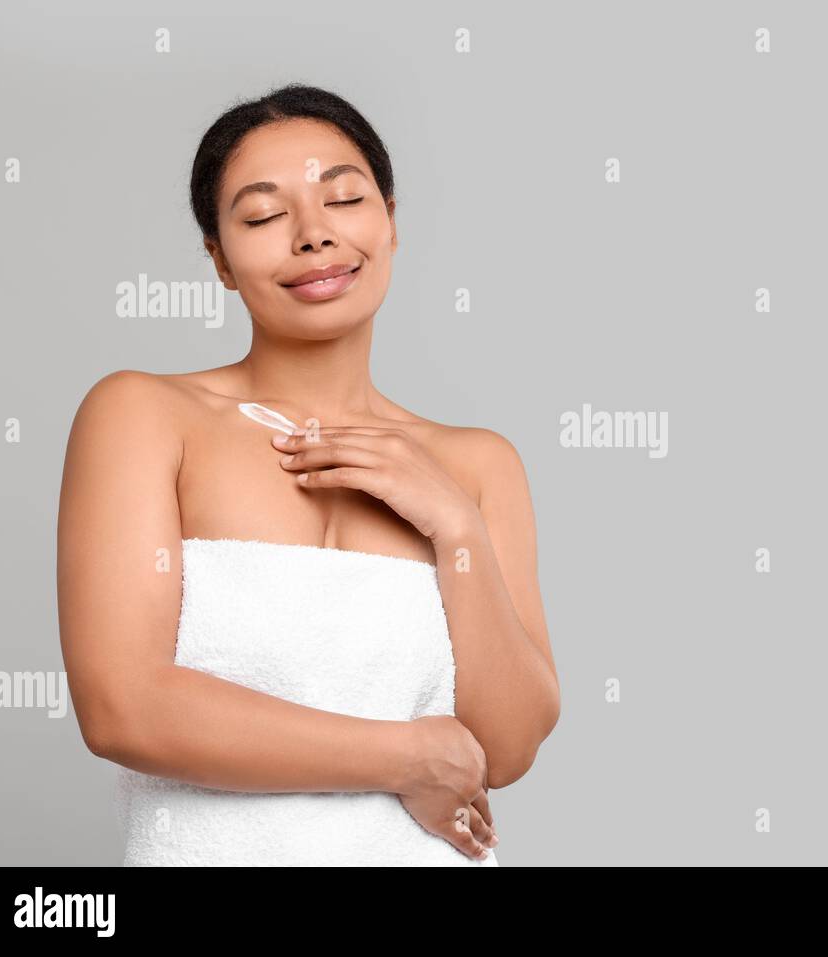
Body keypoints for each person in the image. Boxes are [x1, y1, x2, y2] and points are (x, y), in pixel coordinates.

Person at [56, 83, 559, 865]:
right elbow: (124, 708)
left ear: (391, 220)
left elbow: (507, 746)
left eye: (346, 199)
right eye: (263, 216)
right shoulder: (142, 416)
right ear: (219, 260)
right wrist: (404, 757)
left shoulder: (478, 465)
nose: (314, 236)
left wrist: (454, 523)